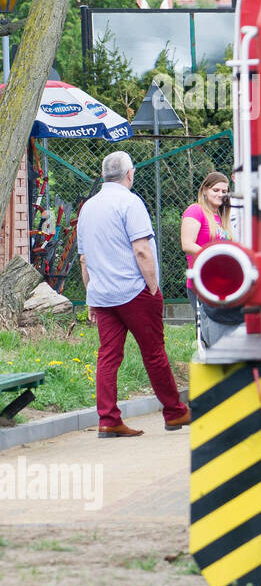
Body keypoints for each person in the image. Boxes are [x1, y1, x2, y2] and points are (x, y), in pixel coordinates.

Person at [77, 150, 190, 438]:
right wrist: (152, 286)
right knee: (153, 353)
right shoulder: (130, 201)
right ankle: (175, 412)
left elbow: (84, 259)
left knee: (108, 355)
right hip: (134, 290)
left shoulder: (87, 208)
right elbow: (141, 249)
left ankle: (108, 418)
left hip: (102, 294)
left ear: (104, 175)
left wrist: (91, 294)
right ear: (130, 174)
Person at [181, 171, 245, 348]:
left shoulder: (223, 217)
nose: (220, 195)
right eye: (216, 190)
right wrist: (214, 258)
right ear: (205, 190)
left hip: (224, 284)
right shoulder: (196, 210)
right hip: (201, 283)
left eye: (224, 191)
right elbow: (187, 243)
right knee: (208, 331)